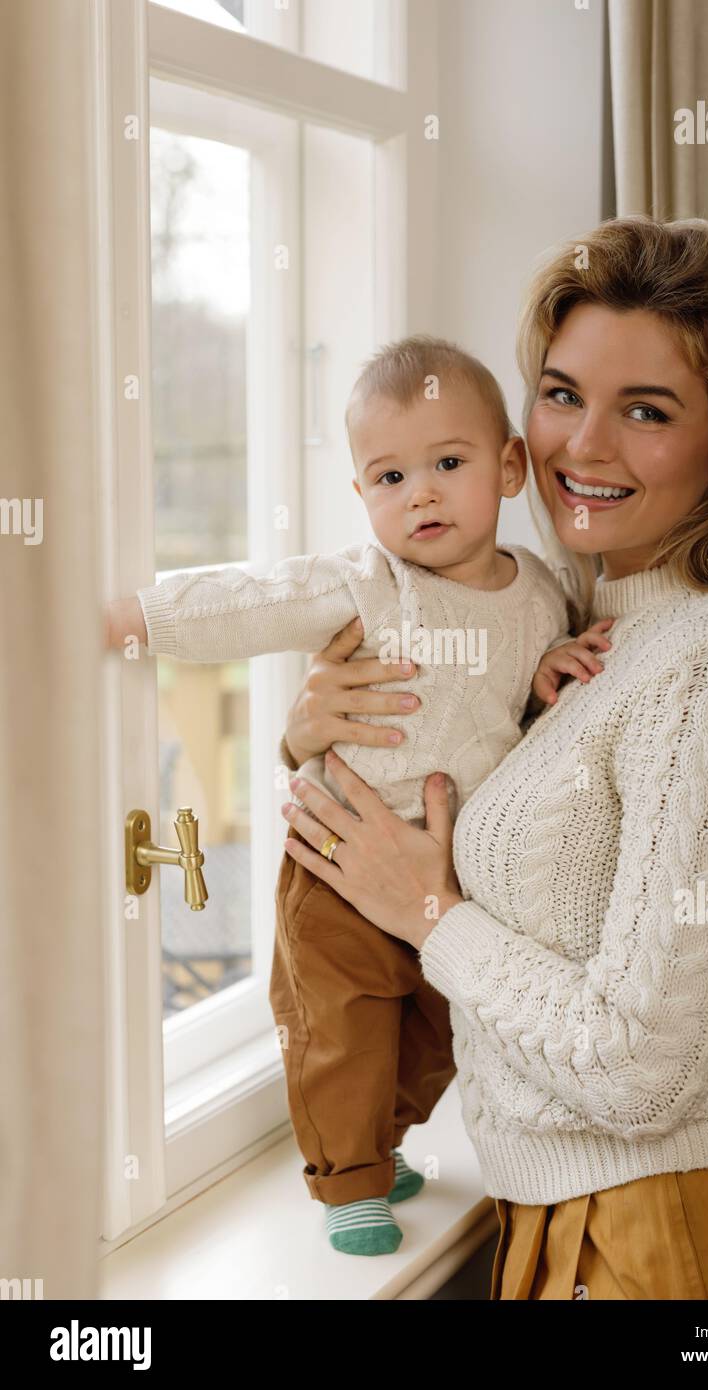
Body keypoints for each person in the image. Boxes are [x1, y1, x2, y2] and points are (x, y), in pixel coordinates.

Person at [276, 215, 708, 1299]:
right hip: (565, 1223)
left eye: (645, 411)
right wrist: (304, 729)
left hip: (672, 1234)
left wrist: (429, 915)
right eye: (558, 394)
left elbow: (640, 1071)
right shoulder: (567, 620)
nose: (582, 447)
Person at [105, 333, 615, 1256]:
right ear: (360, 497)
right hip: (341, 864)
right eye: (387, 477)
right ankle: (346, 1179)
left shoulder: (542, 592)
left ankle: (378, 1143)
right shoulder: (367, 586)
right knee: (336, 1032)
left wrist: (550, 667)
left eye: (446, 464)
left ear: (506, 469)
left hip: (450, 885)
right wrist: (136, 617)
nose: (418, 492)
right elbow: (249, 600)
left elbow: (519, 700)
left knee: (438, 1035)